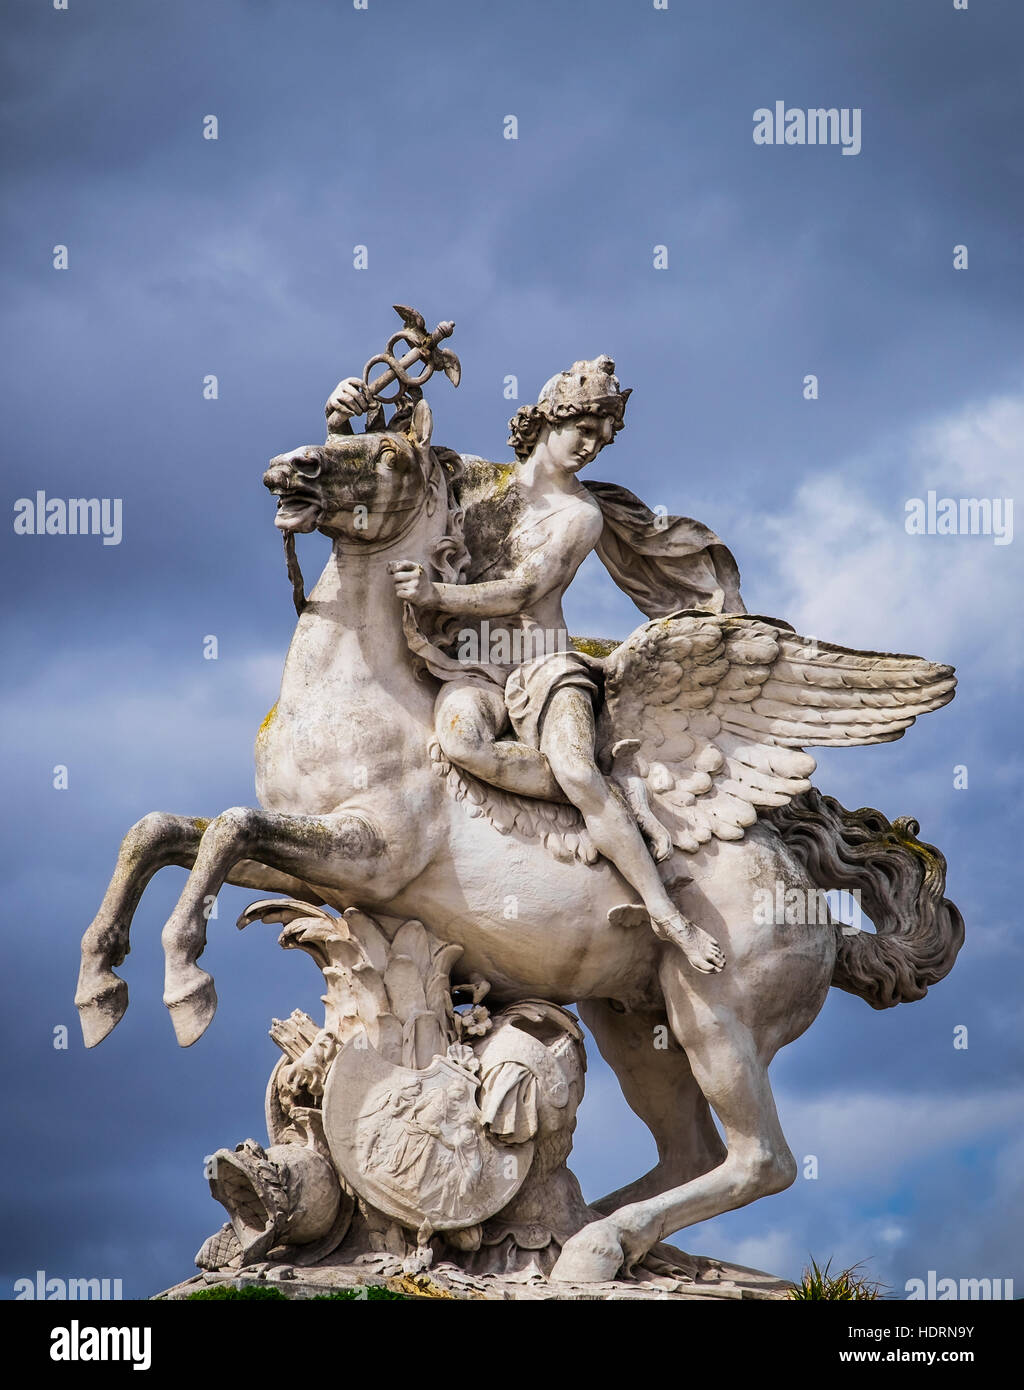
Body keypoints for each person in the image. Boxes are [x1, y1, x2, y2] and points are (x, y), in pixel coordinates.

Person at [326, 359, 739, 974]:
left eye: (603, 438)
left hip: (542, 664)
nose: (592, 446)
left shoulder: (581, 515)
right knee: (461, 743)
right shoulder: (472, 479)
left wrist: (436, 594)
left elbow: (524, 590)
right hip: (468, 663)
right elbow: (380, 481)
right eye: (584, 429)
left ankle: (663, 908)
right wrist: (340, 422)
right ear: (548, 419)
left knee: (573, 768)